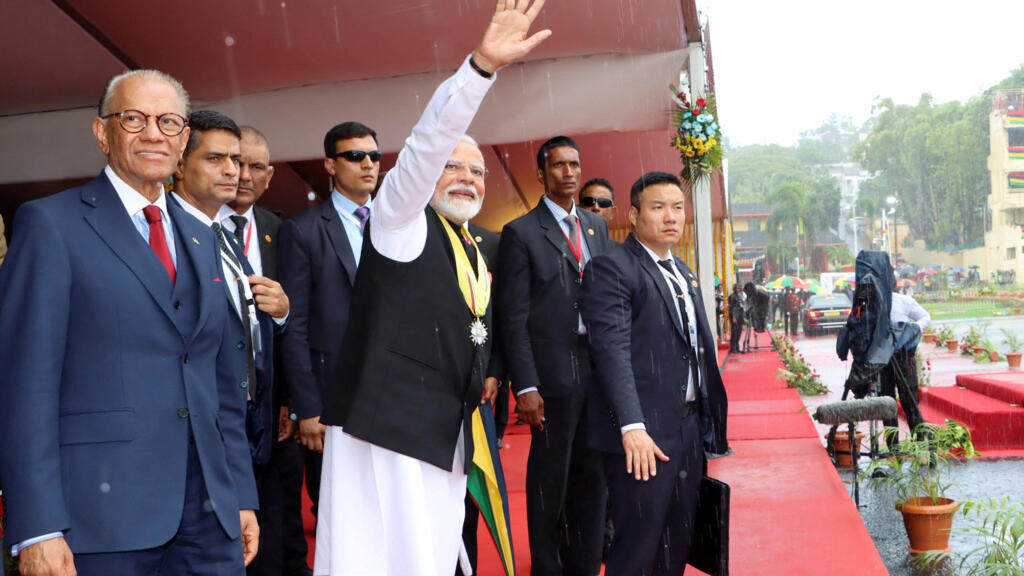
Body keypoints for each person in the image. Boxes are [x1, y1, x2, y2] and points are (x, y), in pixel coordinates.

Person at [314, 3, 551, 574]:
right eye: (453, 167)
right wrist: (480, 71)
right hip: (387, 433)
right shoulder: (400, 219)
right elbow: (426, 143)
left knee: (435, 558)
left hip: (443, 432)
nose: (467, 178)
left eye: (477, 172)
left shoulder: (469, 244)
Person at [0, 70, 258, 575]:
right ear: (103, 133)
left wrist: (241, 496)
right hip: (98, 521)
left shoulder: (204, 236)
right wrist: (37, 526)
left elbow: (220, 383)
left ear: (184, 137)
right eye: (134, 118)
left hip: (210, 520)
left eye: (168, 121)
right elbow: (23, 387)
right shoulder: (51, 225)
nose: (153, 133)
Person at [580, 171, 729, 575]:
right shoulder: (612, 268)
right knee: (637, 547)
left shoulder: (683, 271)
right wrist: (632, 427)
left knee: (677, 543)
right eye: (658, 207)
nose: (671, 217)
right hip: (642, 437)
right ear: (633, 214)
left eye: (678, 207)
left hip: (686, 430)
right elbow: (611, 351)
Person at [498, 134, 610, 576]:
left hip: (595, 372)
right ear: (542, 173)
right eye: (559, 165)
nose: (568, 173)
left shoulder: (596, 227)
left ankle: (584, 563)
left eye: (574, 165)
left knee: (593, 477)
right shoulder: (521, 233)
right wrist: (525, 385)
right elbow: (512, 318)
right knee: (550, 481)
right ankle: (546, 566)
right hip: (549, 379)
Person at [277, 120, 379, 521]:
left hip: (393, 397)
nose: (367, 164)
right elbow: (293, 324)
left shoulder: (396, 225)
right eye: (355, 156)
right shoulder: (302, 231)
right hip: (331, 400)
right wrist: (307, 407)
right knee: (341, 518)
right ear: (331, 165)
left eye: (373, 155)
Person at [222, 125, 311, 576]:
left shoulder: (282, 230)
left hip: (275, 411)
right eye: (236, 163)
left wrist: (291, 402)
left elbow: (299, 324)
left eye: (256, 166)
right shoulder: (195, 226)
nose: (243, 175)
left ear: (270, 175)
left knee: (281, 524)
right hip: (218, 408)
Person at [883, 291, 930, 438]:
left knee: (910, 401)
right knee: (885, 403)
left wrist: (913, 331)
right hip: (881, 358)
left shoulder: (903, 300)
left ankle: (920, 442)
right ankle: (893, 447)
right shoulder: (870, 302)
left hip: (904, 356)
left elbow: (925, 317)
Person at [728, 283, 745, 352]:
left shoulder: (740, 296)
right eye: (737, 288)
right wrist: (733, 317)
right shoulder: (732, 296)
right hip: (735, 315)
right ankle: (733, 347)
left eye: (739, 288)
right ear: (734, 289)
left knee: (739, 332)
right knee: (734, 332)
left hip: (740, 315)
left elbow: (742, 305)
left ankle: (737, 346)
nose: (738, 289)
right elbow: (731, 308)